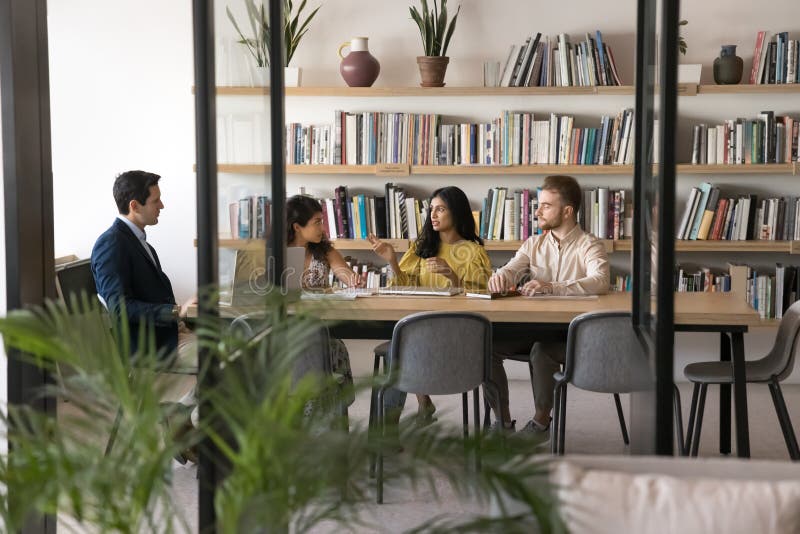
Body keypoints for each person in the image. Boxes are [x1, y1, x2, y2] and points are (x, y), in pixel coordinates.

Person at [486, 175, 610, 435]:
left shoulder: (590, 245)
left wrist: (552, 286)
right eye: (538, 204)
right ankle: (503, 422)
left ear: (567, 211)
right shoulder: (533, 244)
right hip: (533, 326)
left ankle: (541, 422)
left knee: (542, 352)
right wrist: (500, 277)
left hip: (572, 334)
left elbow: (600, 281)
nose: (537, 211)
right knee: (487, 346)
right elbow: (511, 269)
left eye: (545, 205)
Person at [91, 170, 197, 462]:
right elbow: (119, 307)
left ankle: (182, 415)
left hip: (169, 333)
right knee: (226, 357)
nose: (161, 206)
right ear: (134, 205)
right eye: (156, 201)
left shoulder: (141, 242)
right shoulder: (111, 243)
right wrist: (175, 312)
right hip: (149, 346)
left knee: (238, 346)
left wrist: (185, 317)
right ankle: (187, 419)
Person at [368, 186, 492, 426]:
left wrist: (453, 278)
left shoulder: (473, 252)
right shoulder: (420, 247)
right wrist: (392, 260)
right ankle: (388, 432)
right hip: (420, 330)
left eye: (441, 209)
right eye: (431, 209)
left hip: (457, 333)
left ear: (456, 213)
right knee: (401, 347)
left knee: (400, 350)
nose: (433, 215)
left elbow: (482, 299)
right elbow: (403, 287)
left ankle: (423, 403)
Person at [287, 194, 363, 410]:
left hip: (318, 330)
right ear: (297, 227)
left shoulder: (325, 250)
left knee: (332, 346)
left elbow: (344, 273)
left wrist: (353, 280)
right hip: (285, 333)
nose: (323, 227)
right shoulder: (275, 254)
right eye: (317, 222)